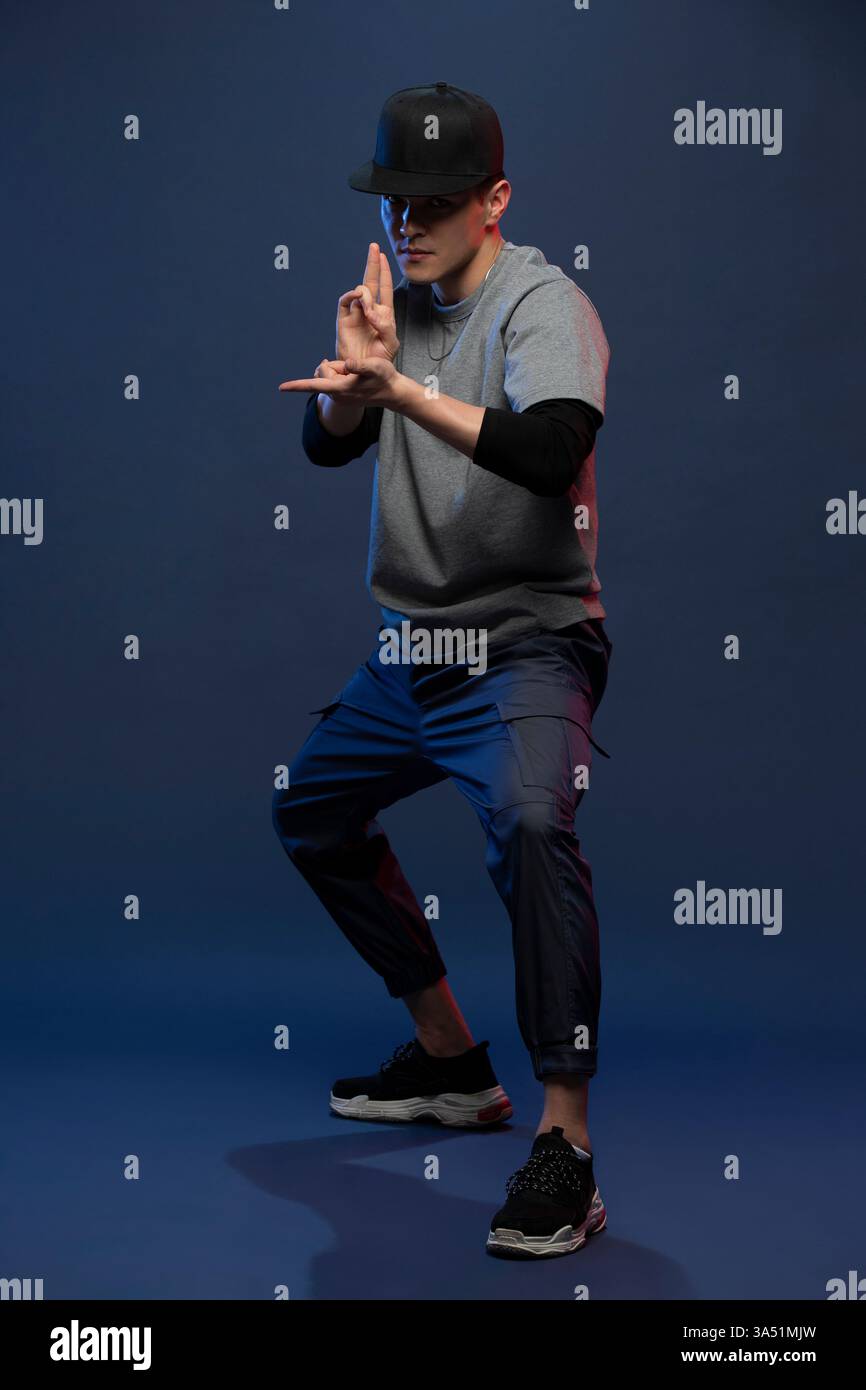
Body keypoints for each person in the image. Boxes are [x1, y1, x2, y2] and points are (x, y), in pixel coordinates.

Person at [274, 82, 613, 1258]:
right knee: (309, 810)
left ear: (494, 202)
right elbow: (332, 444)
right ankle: (450, 1061)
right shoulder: (395, 305)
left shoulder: (543, 305)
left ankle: (562, 1147)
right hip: (412, 649)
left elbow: (549, 447)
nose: (408, 224)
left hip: (525, 639)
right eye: (392, 203)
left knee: (527, 822)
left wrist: (403, 389)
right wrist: (351, 388)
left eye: (435, 202)